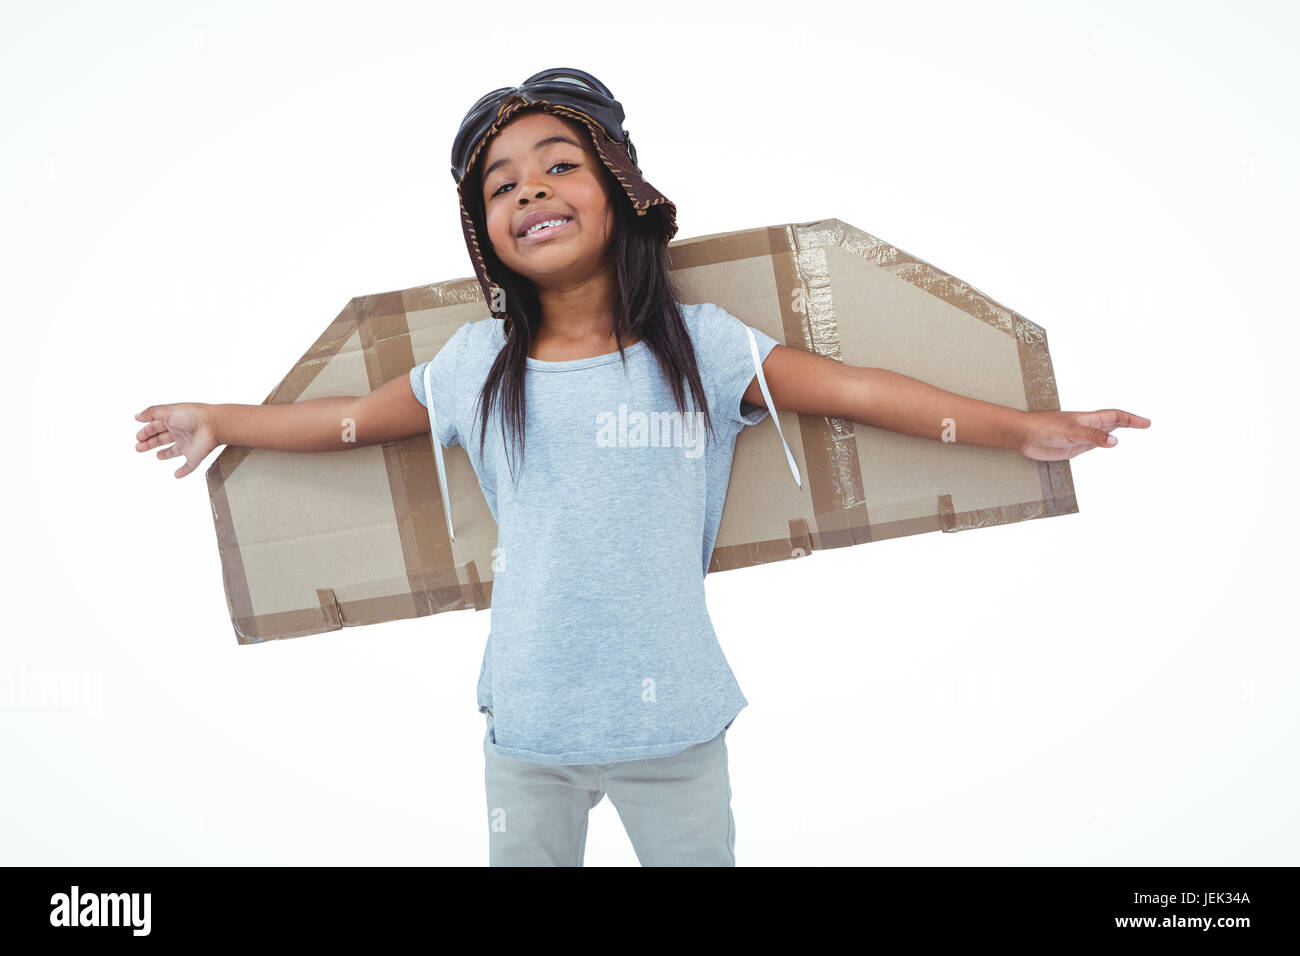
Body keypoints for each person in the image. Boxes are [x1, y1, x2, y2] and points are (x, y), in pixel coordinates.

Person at [133, 69, 1151, 866]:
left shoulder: (704, 349)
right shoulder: (477, 365)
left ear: (620, 190)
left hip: (675, 726)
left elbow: (858, 391)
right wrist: (217, 415)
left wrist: (1021, 428)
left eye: (557, 163)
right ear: (487, 238)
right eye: (500, 184)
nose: (528, 185)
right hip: (526, 727)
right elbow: (351, 419)